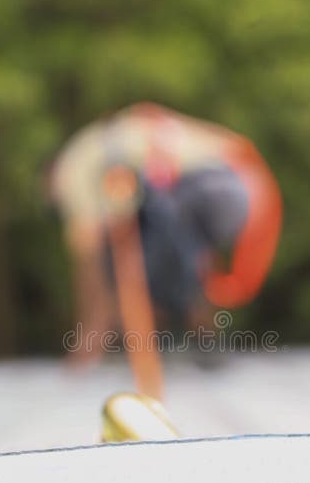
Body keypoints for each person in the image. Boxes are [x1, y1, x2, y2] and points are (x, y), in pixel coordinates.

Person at [48, 103, 282, 399]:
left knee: (143, 248)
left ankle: (172, 339)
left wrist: (85, 347)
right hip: (243, 189)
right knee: (172, 240)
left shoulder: (73, 170)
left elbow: (90, 262)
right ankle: (203, 341)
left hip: (212, 185)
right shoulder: (103, 142)